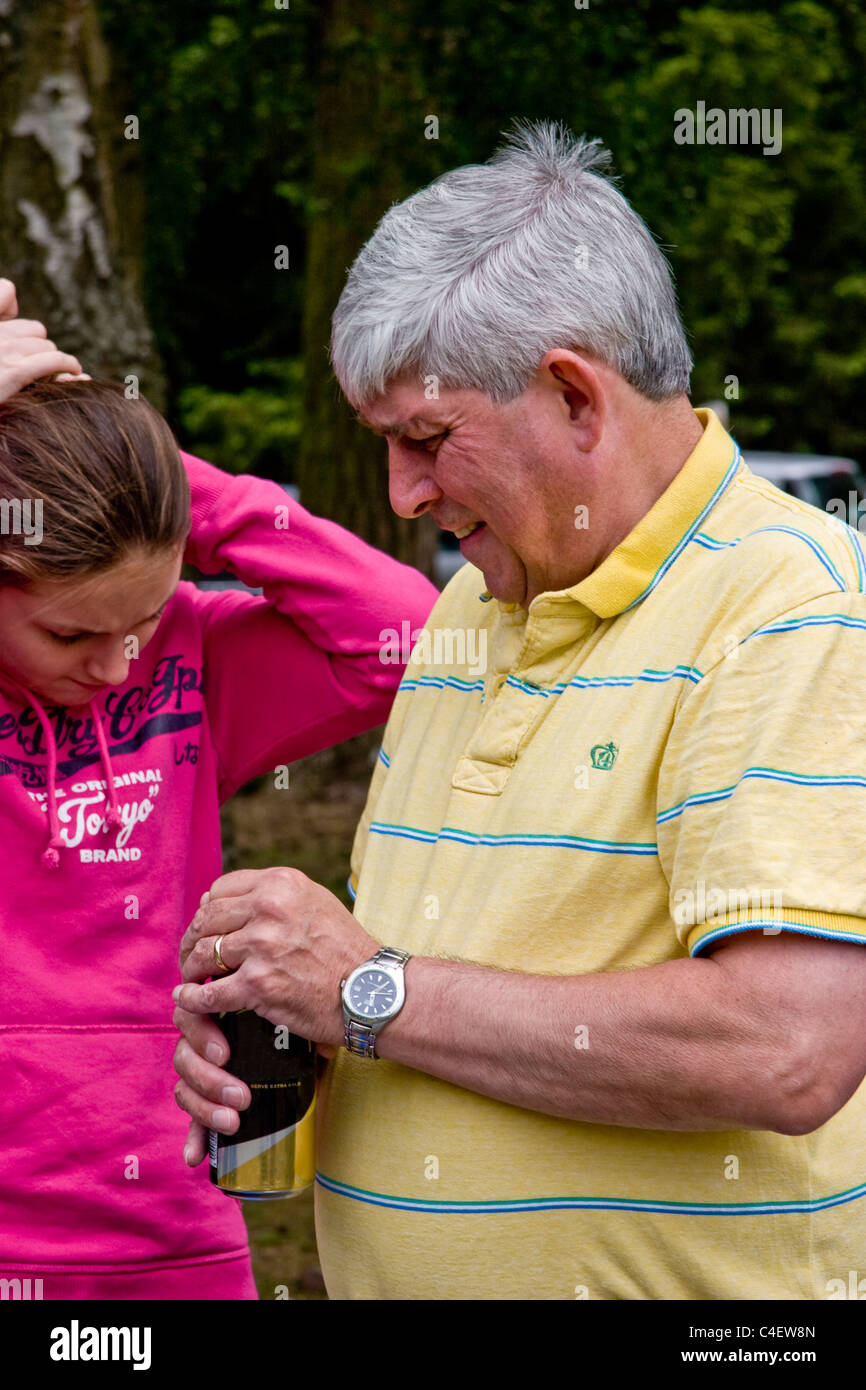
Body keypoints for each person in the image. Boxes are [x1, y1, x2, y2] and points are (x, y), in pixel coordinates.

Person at [173, 121, 866, 1300]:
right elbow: (427, 975)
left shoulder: (788, 607)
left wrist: (364, 991)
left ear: (571, 396)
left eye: (426, 441)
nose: (400, 494)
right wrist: (288, 1021)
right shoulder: (468, 615)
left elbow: (784, 1046)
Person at [0, 279, 438, 1300]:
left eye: (141, 618)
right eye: (72, 632)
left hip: (173, 1229)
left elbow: (400, 632)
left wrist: (153, 484)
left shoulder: (195, 663)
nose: (115, 664)